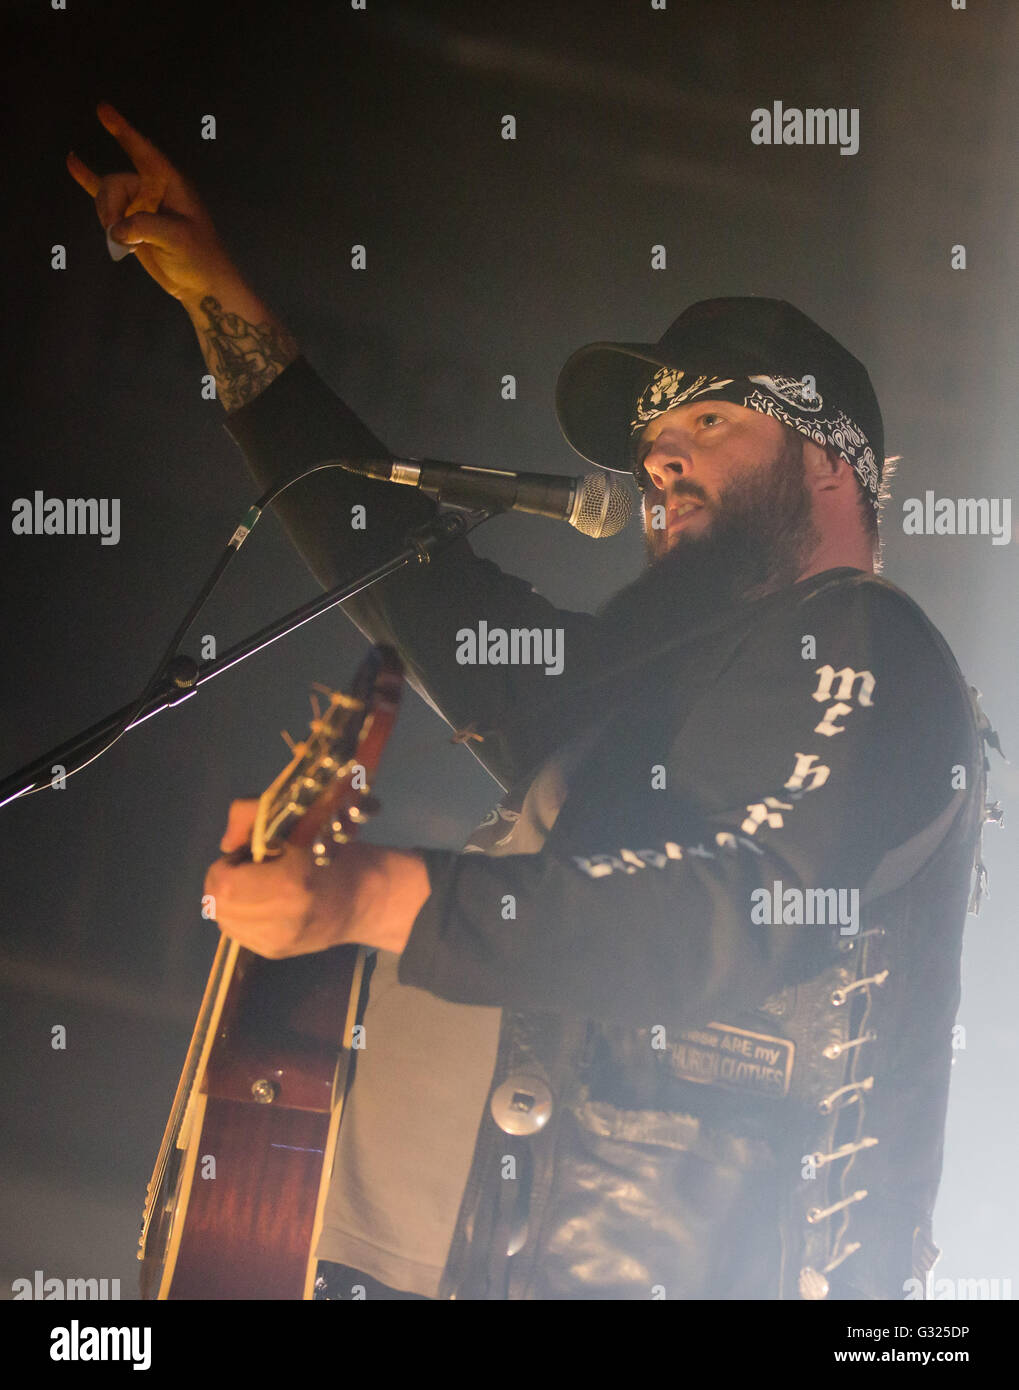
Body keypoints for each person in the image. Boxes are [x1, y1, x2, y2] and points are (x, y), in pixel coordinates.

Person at [69, 104, 997, 1301]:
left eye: (708, 420)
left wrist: (376, 891)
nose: (660, 459)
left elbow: (744, 903)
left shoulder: (871, 646)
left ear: (829, 462)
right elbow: (410, 578)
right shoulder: (635, 696)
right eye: (651, 440)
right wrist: (217, 304)